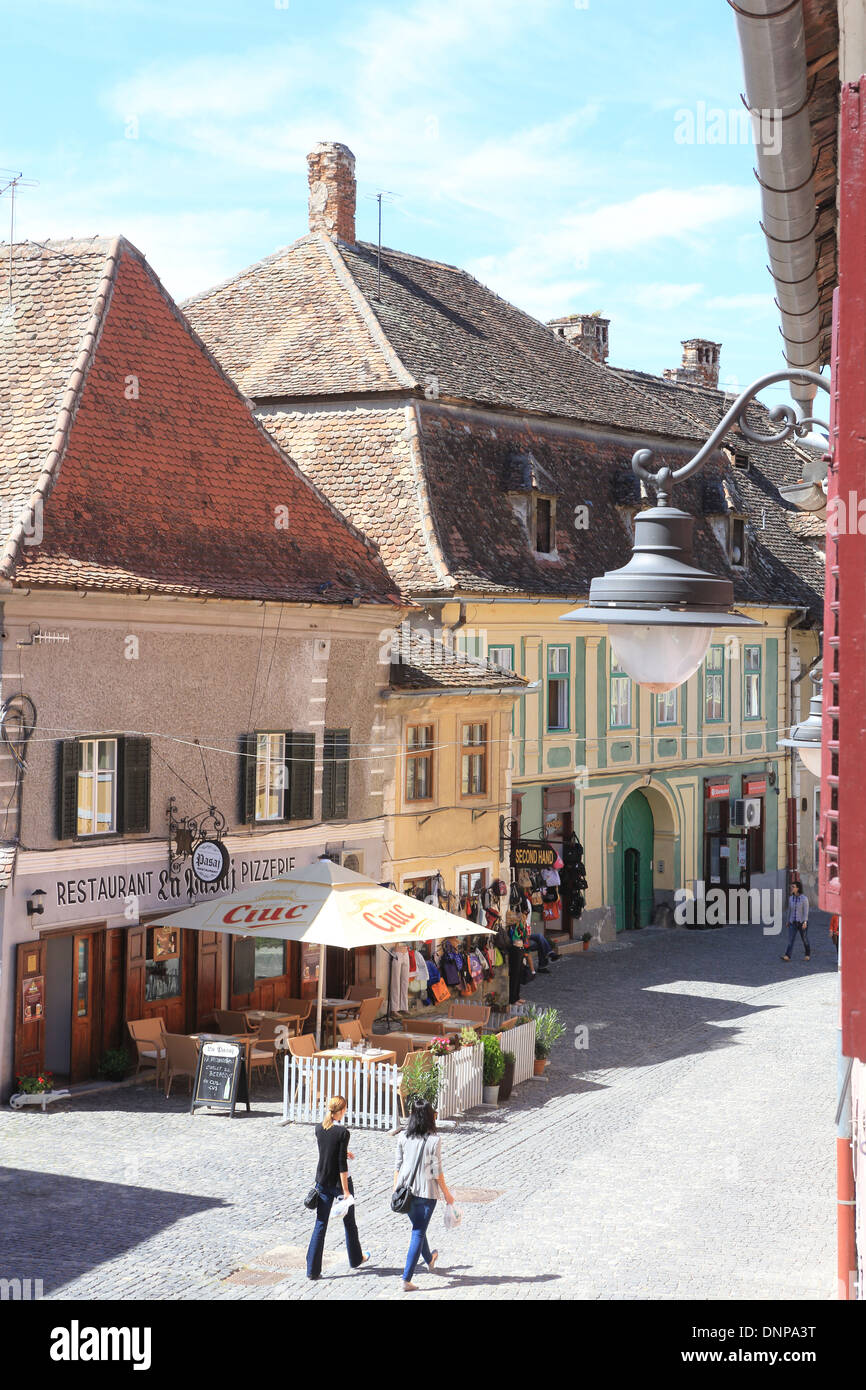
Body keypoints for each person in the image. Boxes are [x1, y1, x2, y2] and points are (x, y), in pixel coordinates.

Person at [306, 1096, 371, 1280]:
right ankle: (356, 1258)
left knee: (320, 1224)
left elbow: (328, 1151)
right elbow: (342, 1165)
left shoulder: (319, 1128)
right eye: (345, 1109)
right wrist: (346, 1191)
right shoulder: (343, 1132)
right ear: (341, 1111)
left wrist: (343, 1152)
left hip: (323, 1182)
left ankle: (312, 1269)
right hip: (340, 1183)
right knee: (349, 1223)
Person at [393, 1099, 455, 1291]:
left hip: (406, 1192)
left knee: (418, 1227)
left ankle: (429, 1258)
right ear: (429, 1117)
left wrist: (395, 1190)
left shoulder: (403, 1137)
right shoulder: (434, 1140)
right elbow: (435, 1171)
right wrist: (447, 1194)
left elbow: (398, 1166)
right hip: (426, 1193)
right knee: (418, 1231)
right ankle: (406, 1278)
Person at [781, 880, 811, 962]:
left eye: (793, 887)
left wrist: (805, 921)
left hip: (801, 923)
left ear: (798, 888)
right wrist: (787, 921)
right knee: (791, 940)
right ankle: (787, 955)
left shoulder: (804, 899)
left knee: (804, 939)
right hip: (792, 923)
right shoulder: (791, 898)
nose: (791, 888)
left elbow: (806, 911)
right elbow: (789, 911)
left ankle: (807, 954)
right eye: (791, 886)